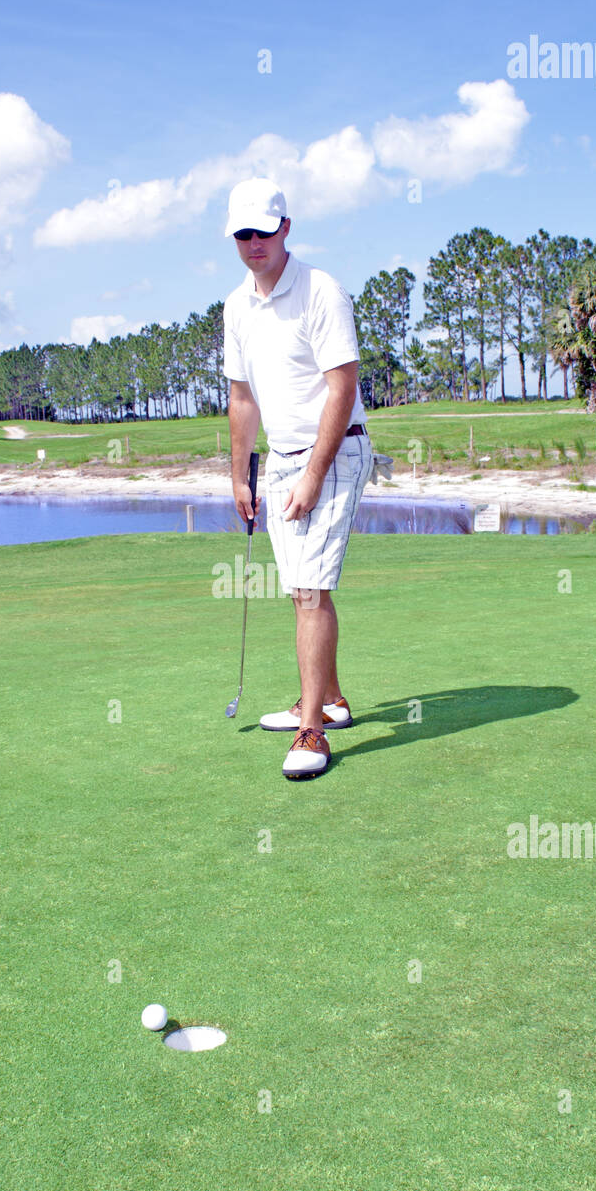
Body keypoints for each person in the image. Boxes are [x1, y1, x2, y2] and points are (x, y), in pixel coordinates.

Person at [223, 177, 373, 779]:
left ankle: (313, 729)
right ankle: (329, 701)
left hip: (335, 454)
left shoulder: (321, 291)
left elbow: (343, 386)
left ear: (286, 228)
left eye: (263, 230)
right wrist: (239, 477)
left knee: (310, 587)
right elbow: (241, 398)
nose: (253, 242)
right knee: (300, 588)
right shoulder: (236, 305)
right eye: (242, 233)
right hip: (280, 460)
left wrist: (313, 473)